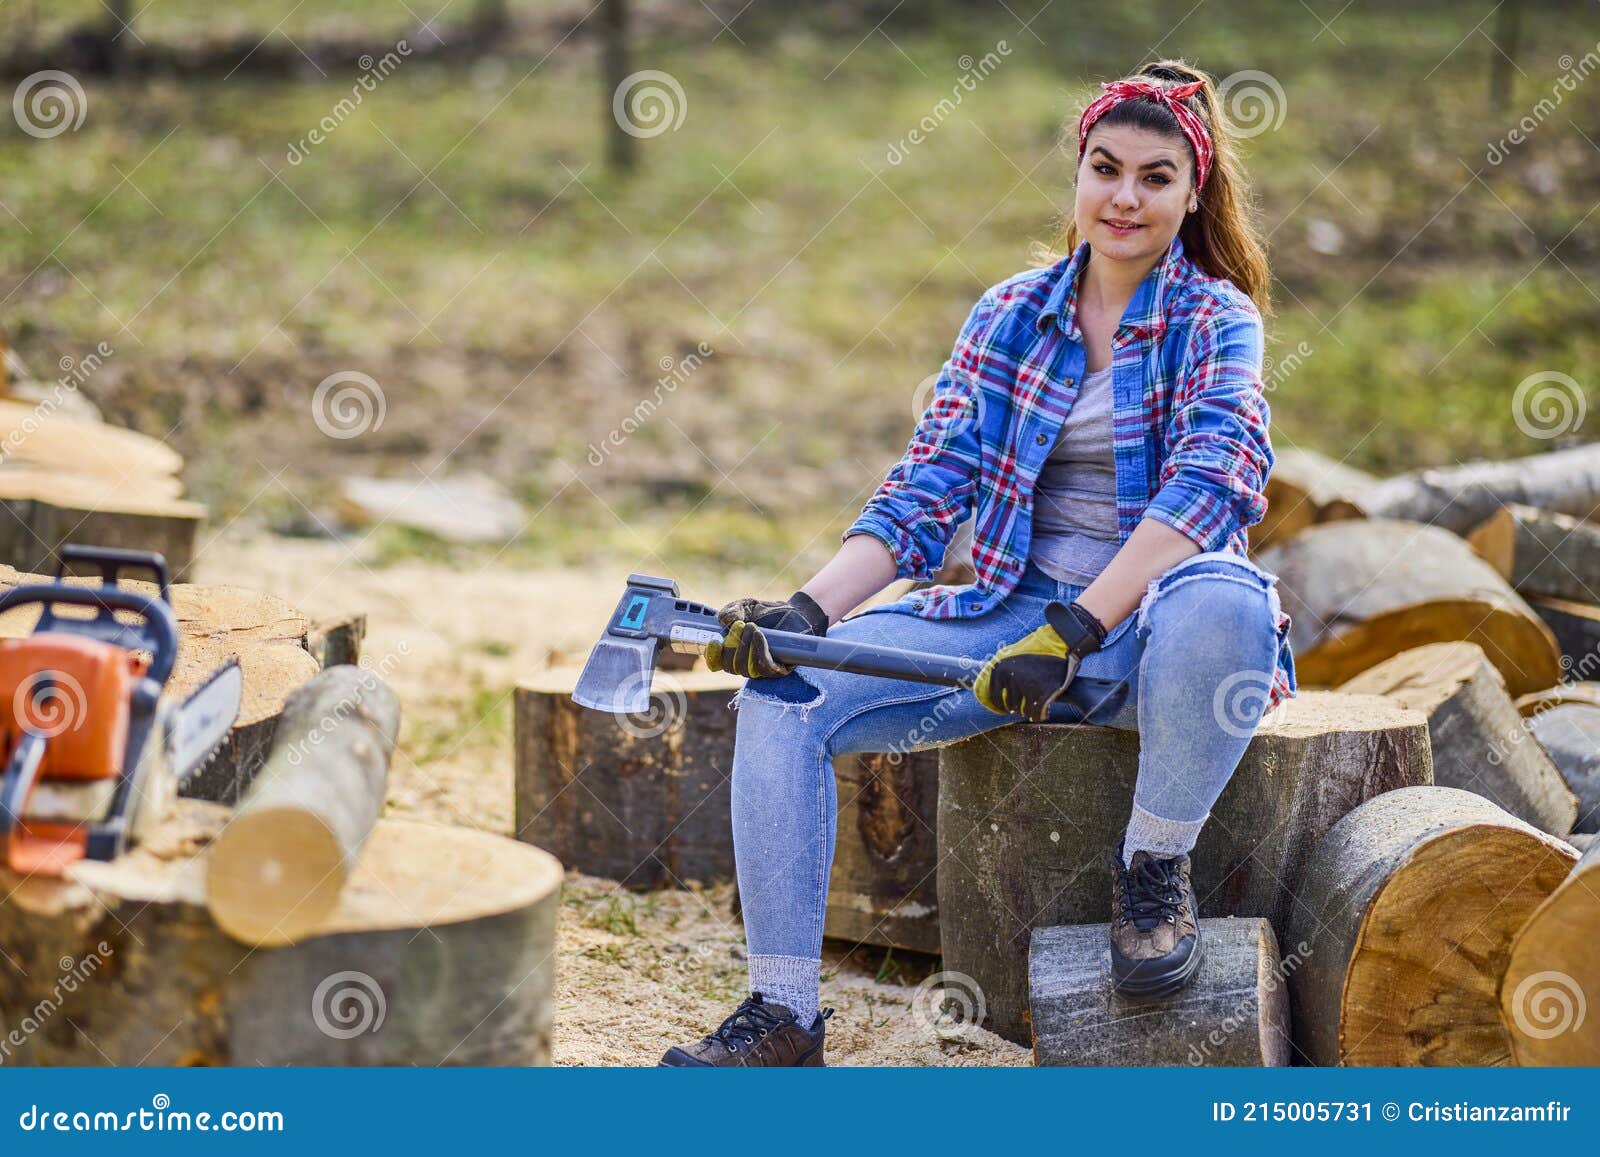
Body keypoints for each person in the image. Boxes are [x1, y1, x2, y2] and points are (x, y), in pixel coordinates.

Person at [658, 59, 1296, 1068]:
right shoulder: (1008, 312)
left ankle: (1152, 868)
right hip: (1010, 612)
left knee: (1231, 605)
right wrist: (808, 612)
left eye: (1155, 176)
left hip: (1157, 623)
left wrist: (1077, 628)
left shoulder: (1216, 319)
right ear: (1077, 174)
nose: (1124, 196)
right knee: (781, 696)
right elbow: (927, 488)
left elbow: (1207, 489)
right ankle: (781, 1014)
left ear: (1192, 191)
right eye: (1104, 167)